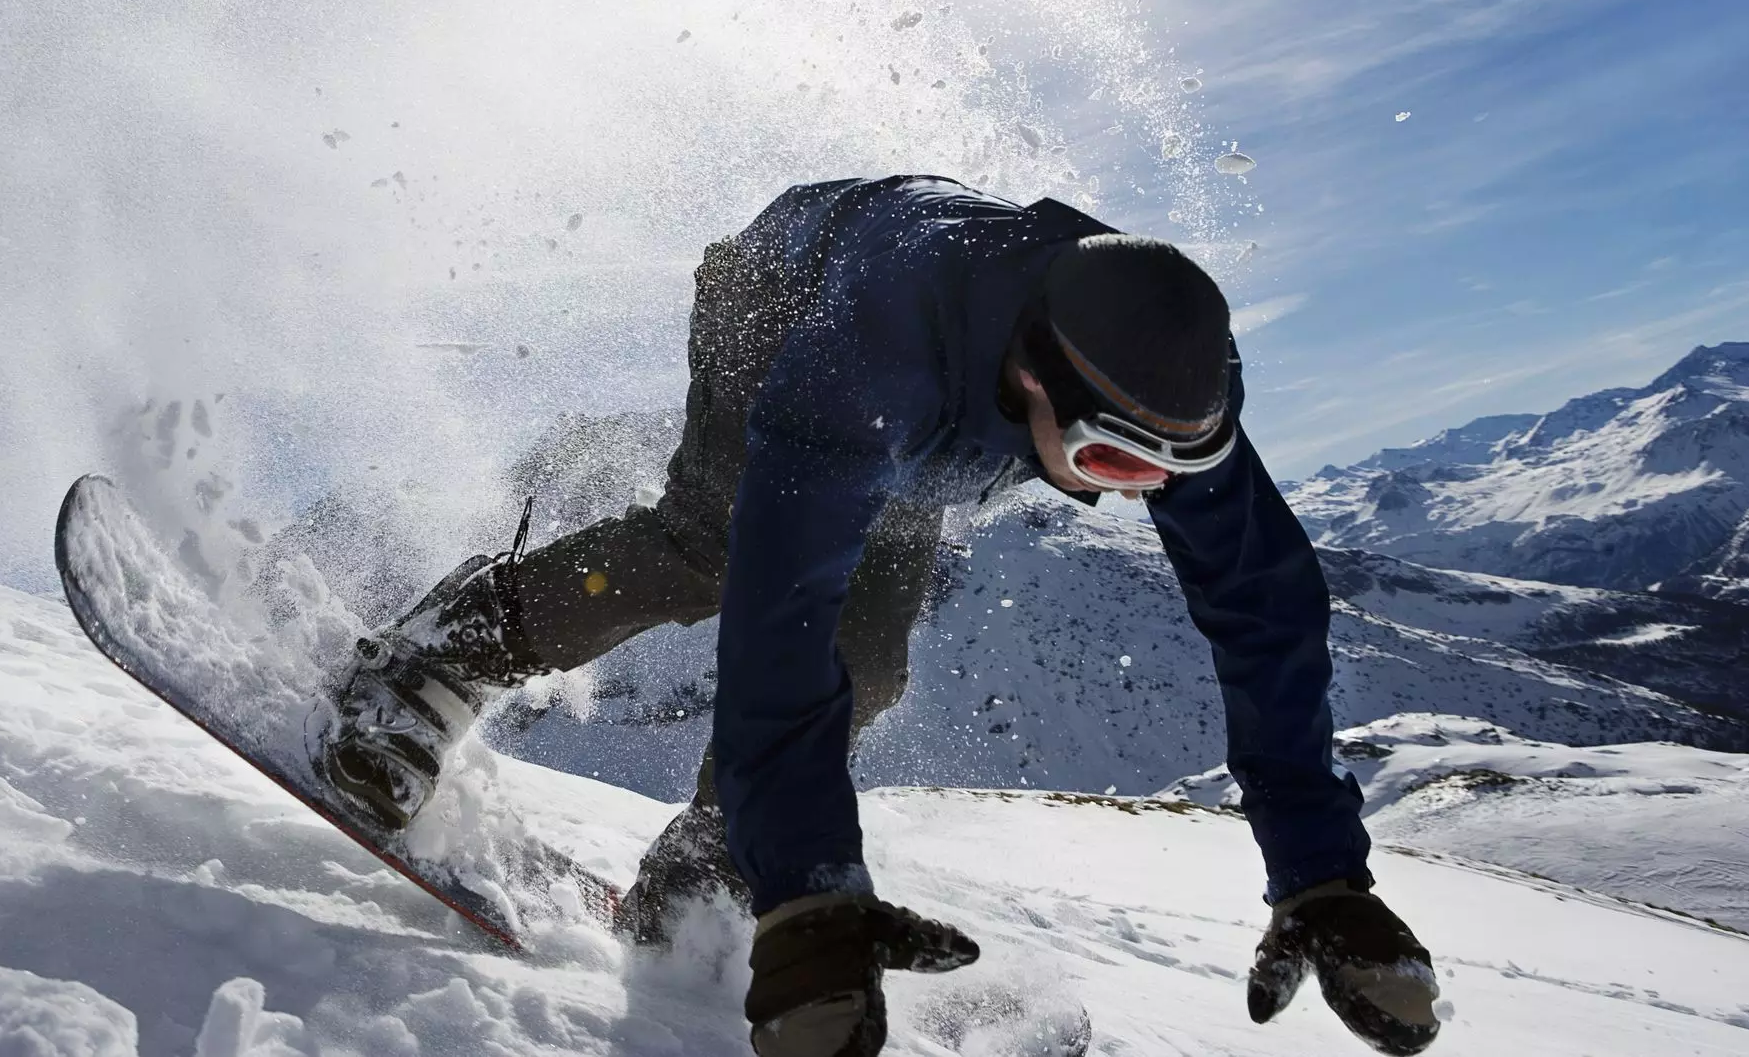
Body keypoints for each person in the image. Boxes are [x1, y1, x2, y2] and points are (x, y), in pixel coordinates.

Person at [310, 175, 1441, 1057]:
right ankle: (438, 657)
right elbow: (775, 616)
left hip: (941, 407)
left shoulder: (1164, 379)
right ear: (1037, 381)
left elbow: (1266, 608)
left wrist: (1322, 873)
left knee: (873, 664)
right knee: (713, 546)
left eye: (1165, 472)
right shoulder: (869, 361)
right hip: (781, 304)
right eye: (1101, 459)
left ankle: (708, 858)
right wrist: (813, 893)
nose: (1116, 491)